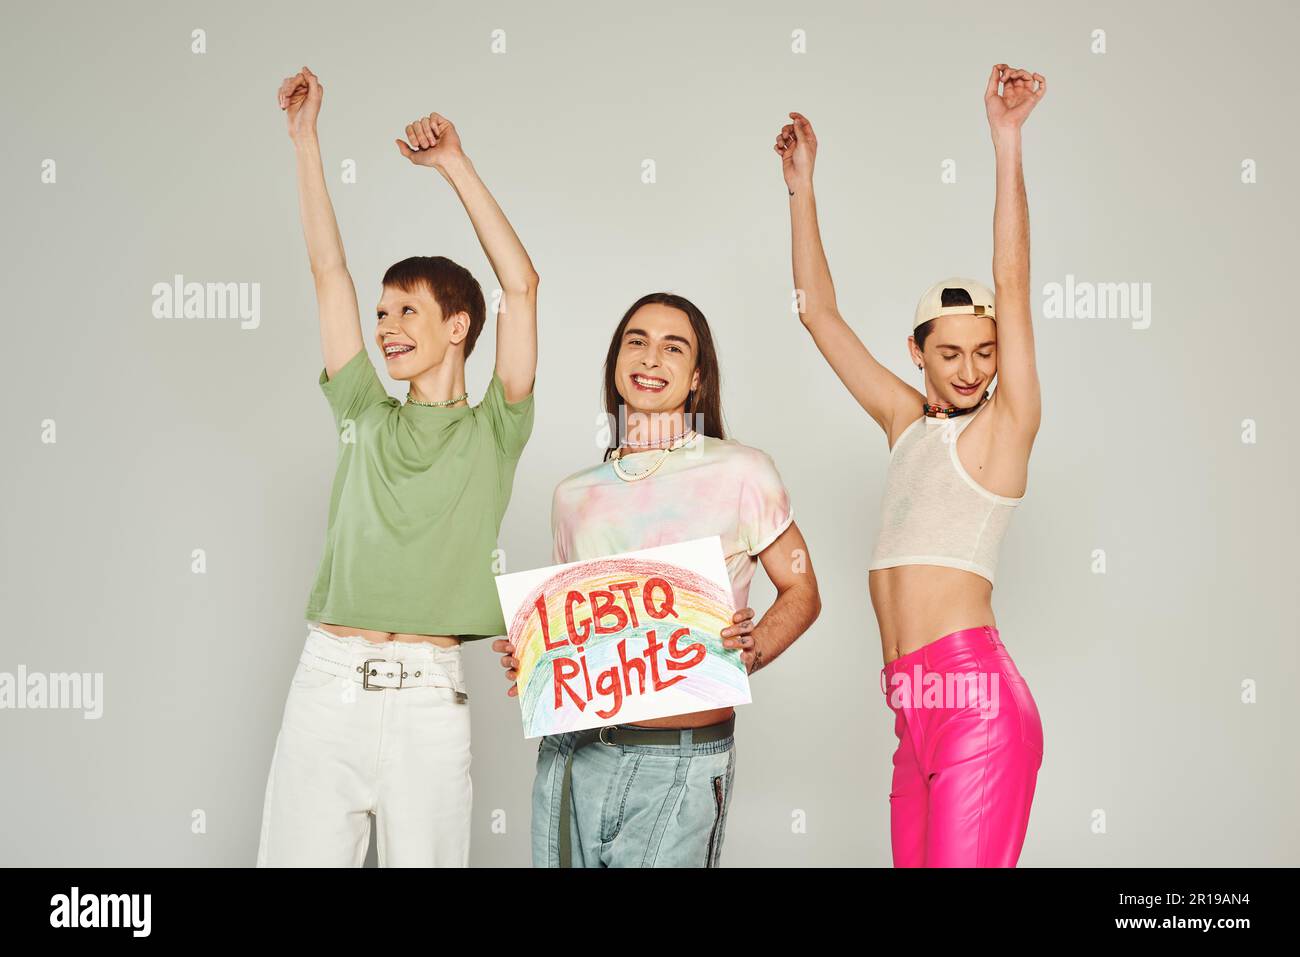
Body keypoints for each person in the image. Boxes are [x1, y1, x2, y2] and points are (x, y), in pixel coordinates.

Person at [257, 66, 538, 867]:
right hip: (329, 683)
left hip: (429, 699)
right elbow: (327, 271)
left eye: (405, 310)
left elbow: (521, 283)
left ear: (457, 325)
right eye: (381, 314)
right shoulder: (361, 414)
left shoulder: (498, 427)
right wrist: (306, 141)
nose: (385, 327)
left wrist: (455, 164)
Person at [774, 64, 1047, 867]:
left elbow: (1015, 284)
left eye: (985, 353)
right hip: (912, 711)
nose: (970, 370)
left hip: (975, 702)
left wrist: (1005, 141)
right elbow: (818, 315)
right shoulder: (906, 425)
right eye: (951, 352)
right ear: (917, 353)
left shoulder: (1007, 426)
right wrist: (801, 187)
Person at [493, 293, 821, 867]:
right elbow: (580, 626)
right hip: (573, 755)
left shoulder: (741, 470)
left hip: (681, 761)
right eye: (636, 341)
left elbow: (802, 589)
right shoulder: (573, 496)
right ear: (617, 361)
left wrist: (754, 646)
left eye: (674, 347)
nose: (650, 358)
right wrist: (535, 658)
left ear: (696, 377)